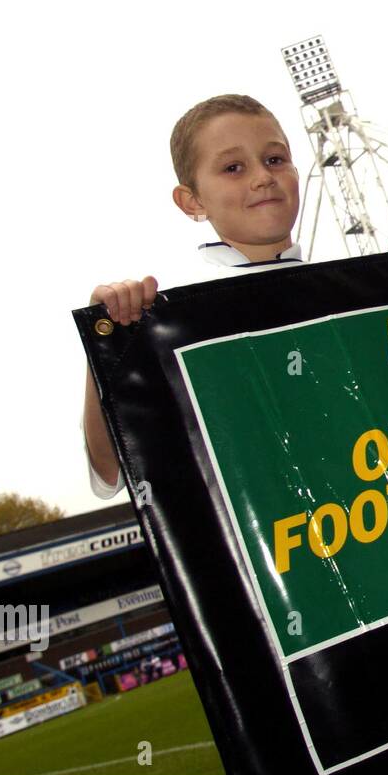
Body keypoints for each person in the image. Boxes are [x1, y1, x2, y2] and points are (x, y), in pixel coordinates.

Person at [82, 94, 306, 499]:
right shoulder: (167, 320)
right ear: (193, 201)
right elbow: (109, 474)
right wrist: (107, 340)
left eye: (275, 159)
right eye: (233, 168)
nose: (262, 177)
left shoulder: (364, 294)